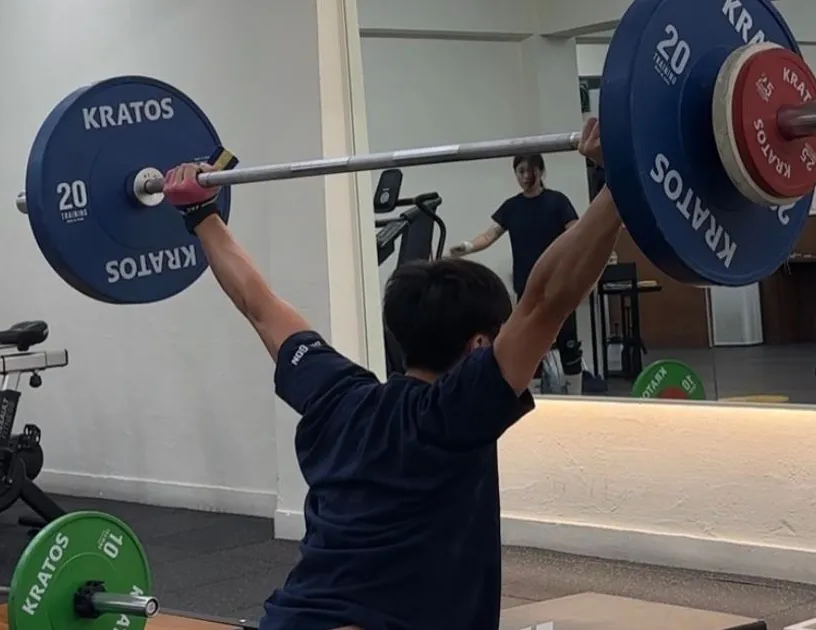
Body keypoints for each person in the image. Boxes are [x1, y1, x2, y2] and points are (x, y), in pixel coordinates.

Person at [161, 117, 619, 630]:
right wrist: (620, 185)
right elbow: (545, 302)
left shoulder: (337, 397)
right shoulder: (455, 415)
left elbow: (259, 304)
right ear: (479, 346)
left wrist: (201, 216)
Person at [448, 154, 585, 395]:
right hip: (527, 288)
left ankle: (578, 397)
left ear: (540, 171)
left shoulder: (557, 202)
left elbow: (576, 233)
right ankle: (534, 398)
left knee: (568, 342)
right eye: (519, 171)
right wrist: (467, 247)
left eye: (528, 171)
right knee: (530, 344)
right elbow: (490, 235)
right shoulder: (512, 207)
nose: (524, 177)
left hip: (558, 284)